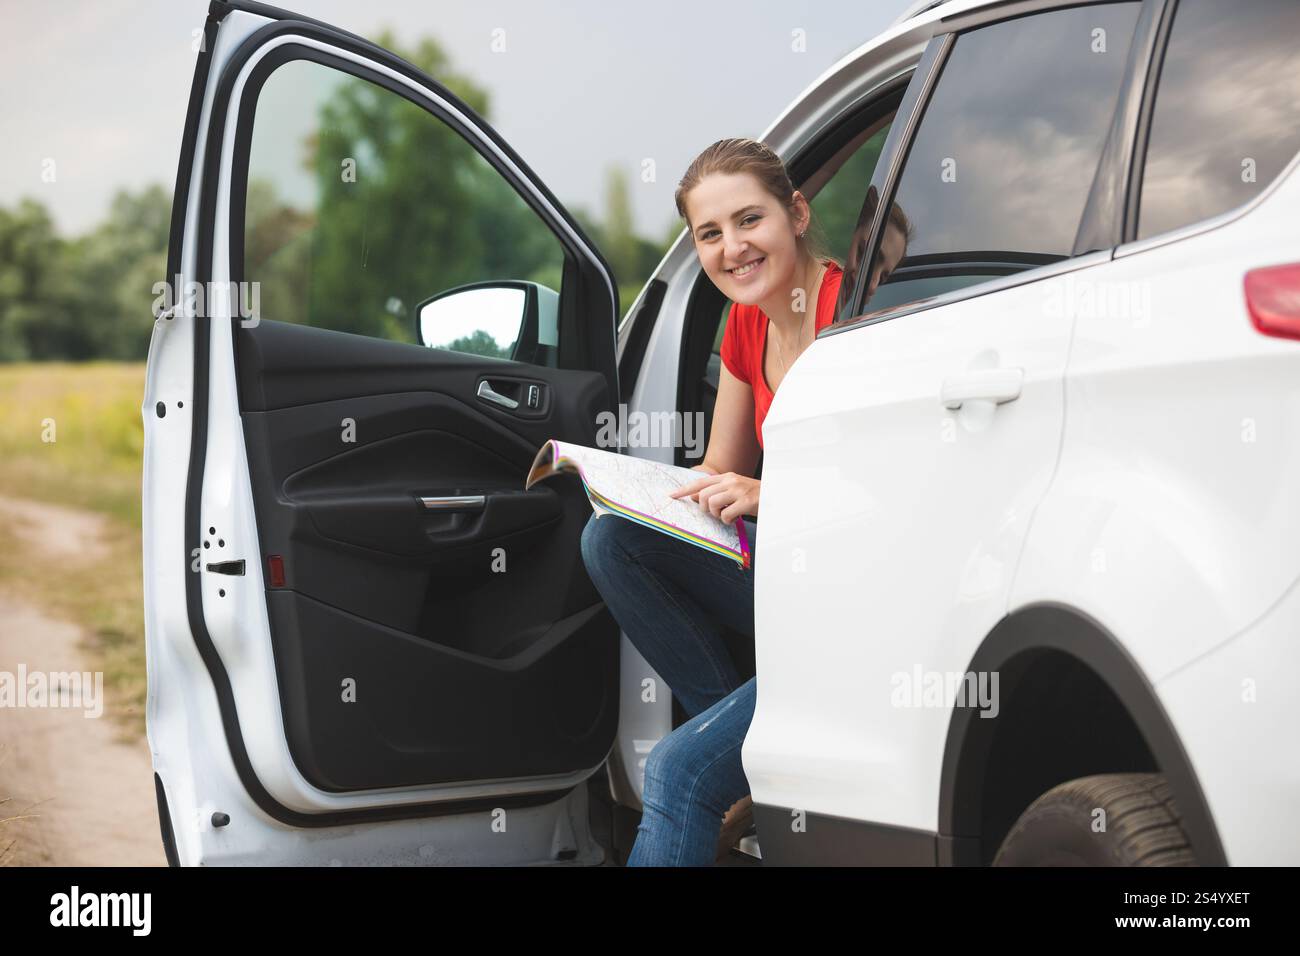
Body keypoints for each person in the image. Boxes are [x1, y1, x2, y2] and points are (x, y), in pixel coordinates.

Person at [580, 138, 908, 866]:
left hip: (861, 609)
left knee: (675, 769)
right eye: (709, 233)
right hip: (790, 583)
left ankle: (730, 761)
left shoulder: (847, 313)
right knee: (612, 539)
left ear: (796, 213)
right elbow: (718, 471)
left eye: (748, 220)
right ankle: (743, 746)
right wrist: (626, 489)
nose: (731, 247)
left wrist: (765, 493)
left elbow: (888, 493)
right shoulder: (747, 323)